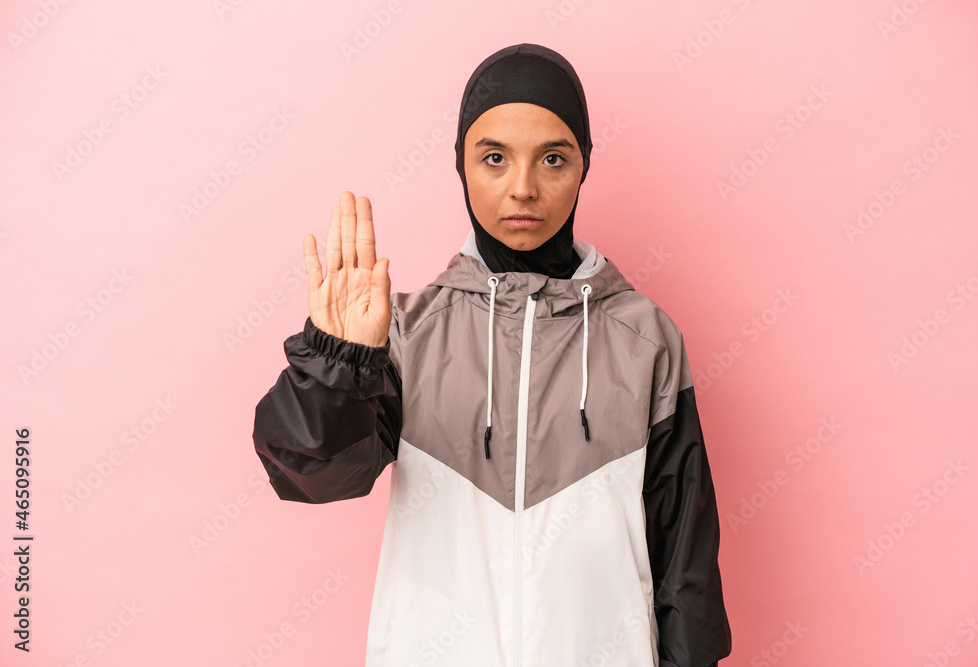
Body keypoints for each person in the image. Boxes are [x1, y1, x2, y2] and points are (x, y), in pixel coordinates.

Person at [253, 43, 732, 667]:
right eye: (495, 158)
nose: (523, 188)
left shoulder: (646, 340)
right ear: (462, 167)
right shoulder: (403, 334)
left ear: (583, 167)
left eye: (553, 159)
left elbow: (684, 560)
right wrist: (337, 361)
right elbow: (315, 477)